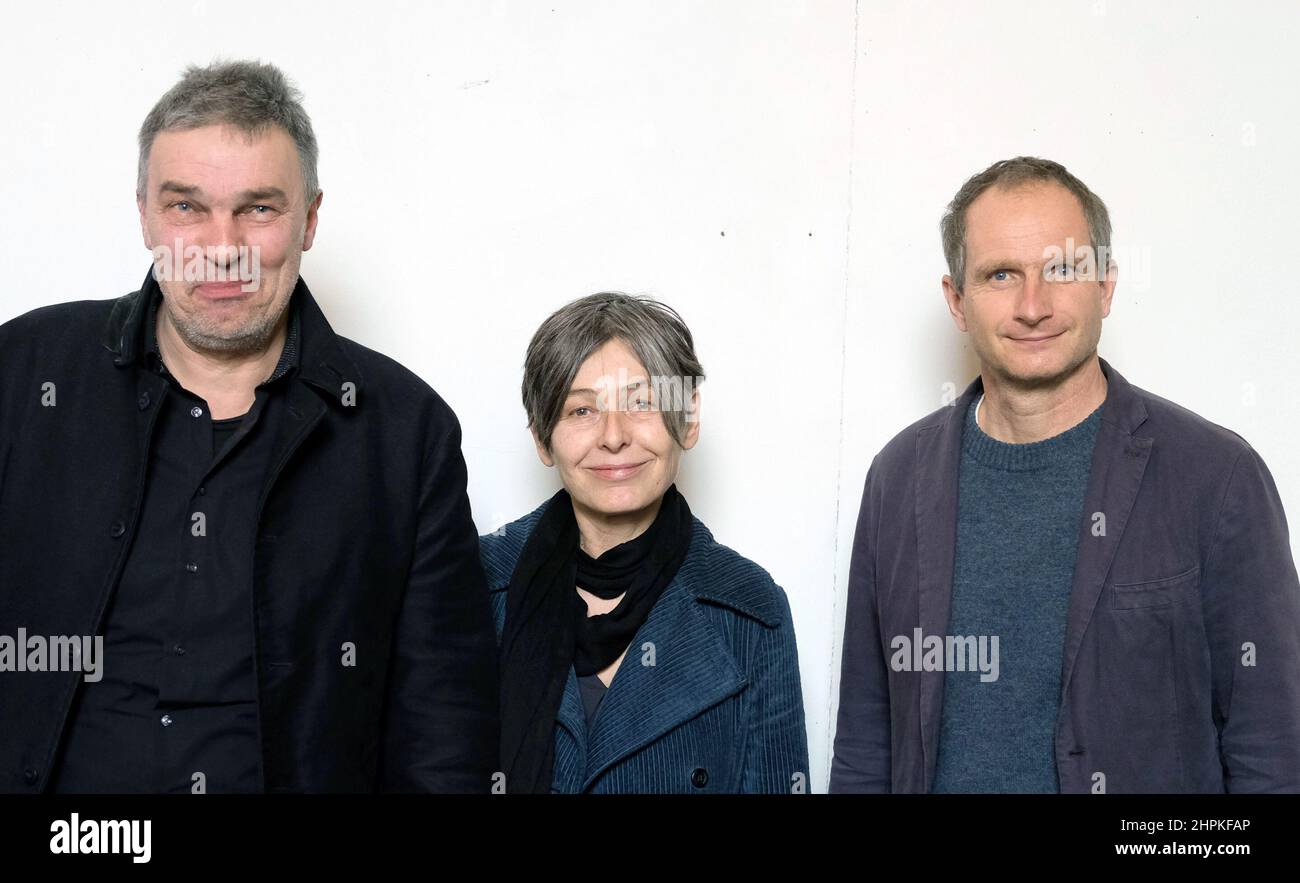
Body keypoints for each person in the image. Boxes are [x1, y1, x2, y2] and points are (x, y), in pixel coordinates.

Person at [0, 60, 498, 793]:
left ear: (310, 219)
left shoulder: (405, 432)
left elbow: (445, 732)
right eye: (186, 207)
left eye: (258, 209)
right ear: (143, 213)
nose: (220, 244)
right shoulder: (22, 374)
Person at [830, 156, 1300, 793]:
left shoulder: (1216, 478)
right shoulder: (898, 477)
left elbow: (1272, 747)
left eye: (1062, 270)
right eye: (1001, 274)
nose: (1033, 305)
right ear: (957, 300)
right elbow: (866, 740)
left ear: (1105, 284)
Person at [482, 292, 809, 793]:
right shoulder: (475, 585)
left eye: (642, 402)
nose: (614, 436)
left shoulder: (749, 608)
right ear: (542, 439)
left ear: (689, 419)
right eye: (581, 410)